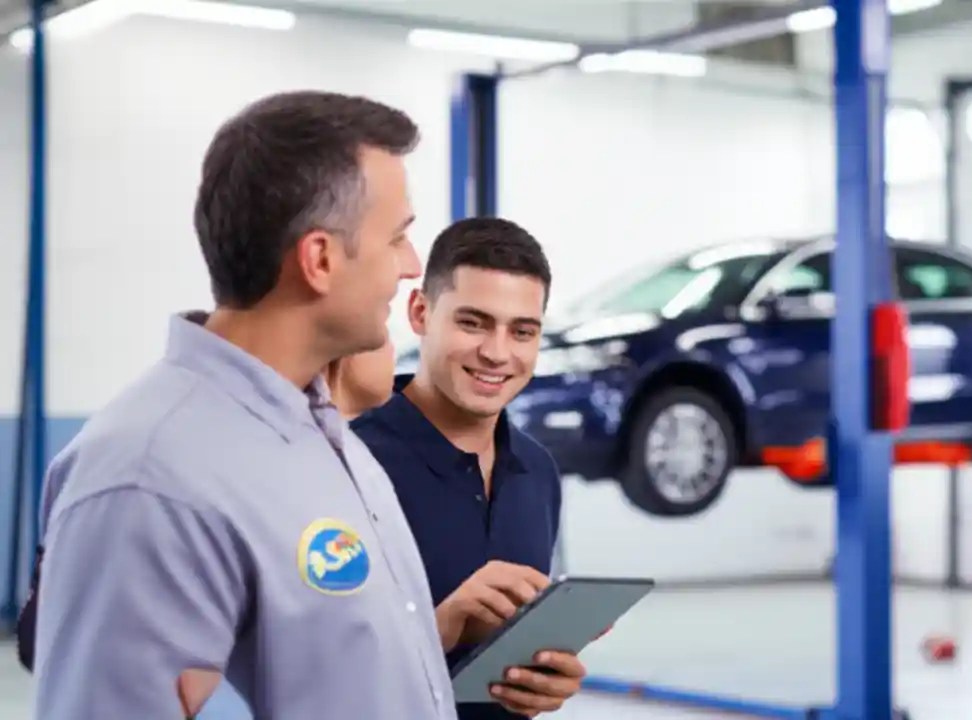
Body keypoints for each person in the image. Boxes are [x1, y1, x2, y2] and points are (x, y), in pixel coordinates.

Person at [29, 90, 459, 720]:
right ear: (319, 259)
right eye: (397, 238)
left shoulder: (328, 439)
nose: (410, 266)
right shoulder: (148, 479)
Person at [351, 217, 586, 719]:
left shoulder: (537, 472)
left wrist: (543, 680)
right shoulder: (350, 463)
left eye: (522, 332)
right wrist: (439, 626)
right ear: (420, 312)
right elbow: (309, 673)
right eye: (473, 323)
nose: (497, 353)